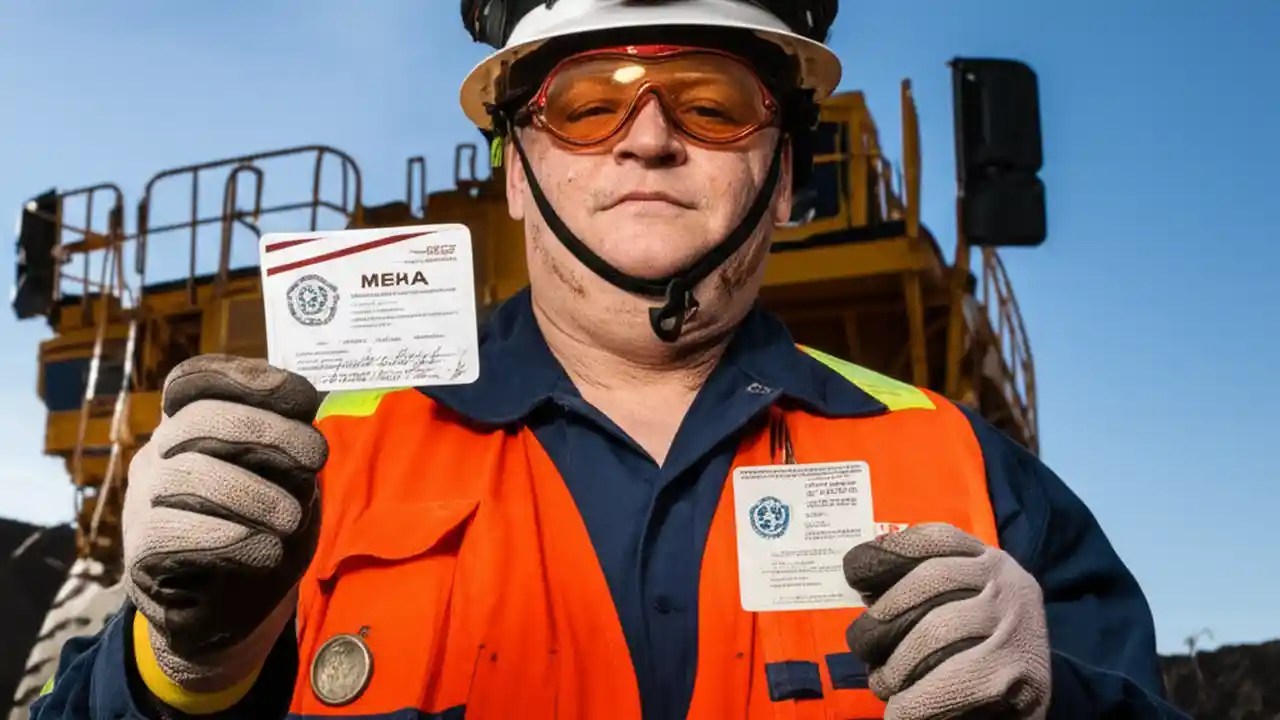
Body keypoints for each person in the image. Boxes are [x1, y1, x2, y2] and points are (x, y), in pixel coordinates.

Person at [30, 1, 1188, 718]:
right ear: (514, 174)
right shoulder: (320, 462)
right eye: (586, 105)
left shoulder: (960, 468)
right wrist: (186, 668)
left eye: (710, 103)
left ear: (785, 174)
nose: (648, 138)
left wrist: (1063, 707)